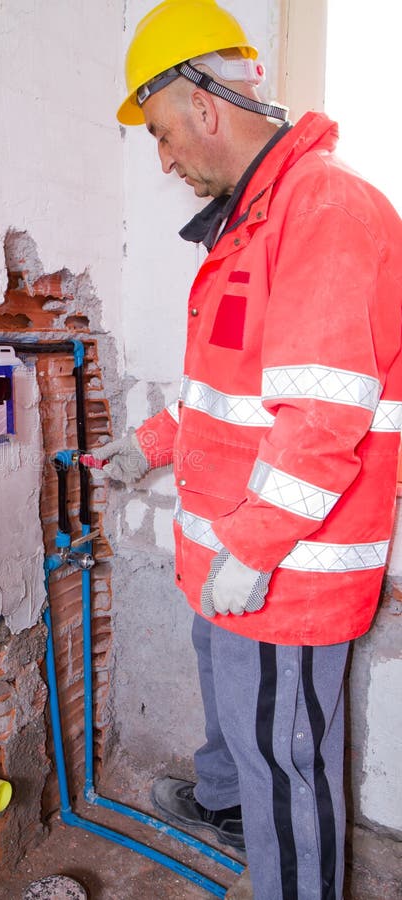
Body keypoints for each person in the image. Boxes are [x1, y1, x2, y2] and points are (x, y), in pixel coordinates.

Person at [91, 2, 402, 898]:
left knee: (289, 761)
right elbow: (230, 401)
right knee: (237, 719)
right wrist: (143, 445)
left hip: (286, 571)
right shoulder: (250, 225)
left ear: (205, 105)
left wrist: (253, 552)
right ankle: (228, 804)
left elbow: (323, 421)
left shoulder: (324, 211)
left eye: (160, 135)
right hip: (228, 552)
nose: (163, 159)